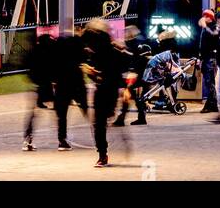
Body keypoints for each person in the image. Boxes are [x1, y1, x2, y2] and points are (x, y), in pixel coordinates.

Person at [82, 19, 127, 169]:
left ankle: (102, 153)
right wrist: (93, 74)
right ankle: (102, 153)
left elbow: (116, 74)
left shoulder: (113, 53)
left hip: (109, 91)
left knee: (100, 123)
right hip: (102, 91)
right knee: (99, 123)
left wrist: (96, 74)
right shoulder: (98, 54)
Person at [52, 26, 88, 150]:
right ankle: (98, 135)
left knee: (62, 115)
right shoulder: (77, 44)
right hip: (76, 82)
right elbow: (83, 58)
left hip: (62, 83)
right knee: (86, 109)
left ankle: (62, 140)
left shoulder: (57, 48)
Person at [22, 31, 56, 151]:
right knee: (56, 109)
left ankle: (28, 139)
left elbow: (26, 67)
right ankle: (62, 136)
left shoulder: (33, 52)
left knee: (34, 113)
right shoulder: (48, 53)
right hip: (45, 86)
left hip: (36, 86)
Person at [115, 26, 152, 127]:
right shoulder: (143, 42)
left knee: (128, 94)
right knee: (136, 97)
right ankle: (140, 117)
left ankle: (121, 119)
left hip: (137, 74)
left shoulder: (135, 44)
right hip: (144, 75)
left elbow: (135, 59)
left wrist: (131, 72)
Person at [196, 10, 219, 114]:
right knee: (208, 82)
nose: (204, 18)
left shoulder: (213, 27)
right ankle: (212, 104)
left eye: (206, 16)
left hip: (211, 58)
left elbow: (214, 36)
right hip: (206, 58)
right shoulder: (205, 29)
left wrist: (205, 27)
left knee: (209, 82)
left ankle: (212, 104)